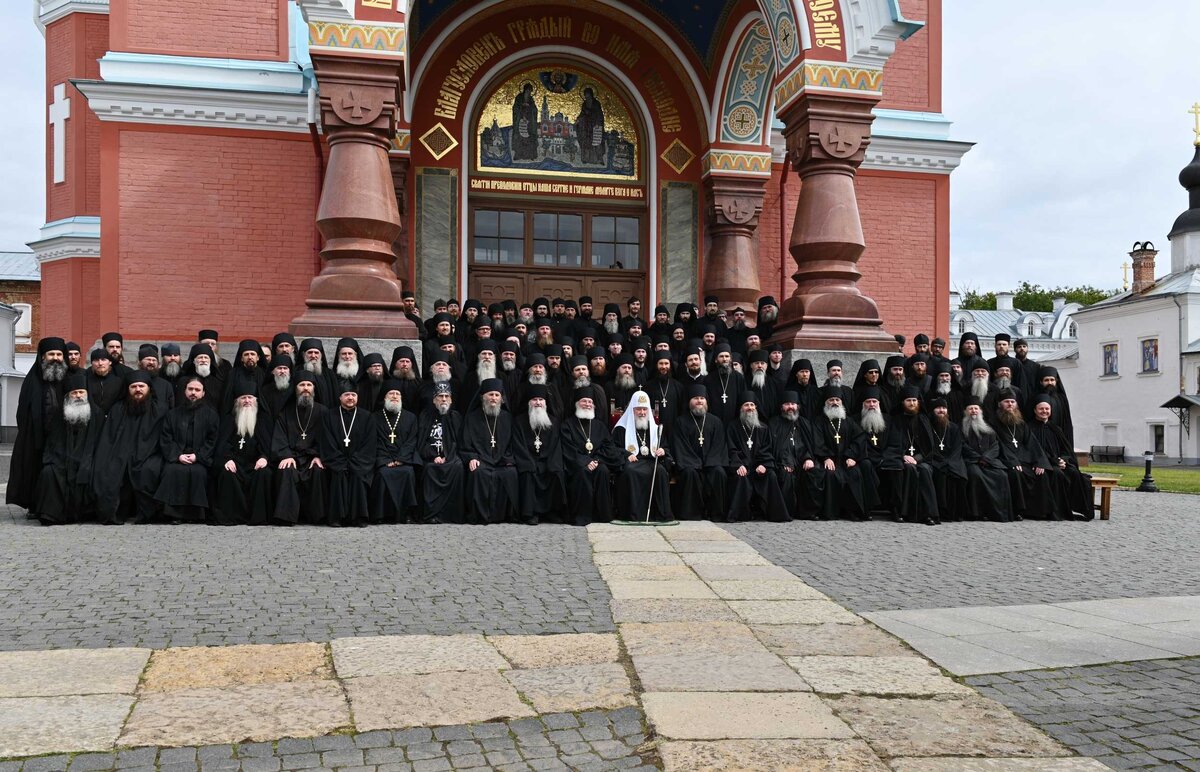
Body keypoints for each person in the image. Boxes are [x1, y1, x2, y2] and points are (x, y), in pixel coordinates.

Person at [92, 372, 165, 525]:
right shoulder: (118, 409)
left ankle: (147, 514)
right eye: (133, 386)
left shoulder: (159, 410)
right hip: (119, 452)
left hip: (150, 454)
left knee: (149, 470)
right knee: (109, 471)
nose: (138, 389)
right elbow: (109, 437)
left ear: (149, 389)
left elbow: (162, 438)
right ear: (127, 389)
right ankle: (114, 513)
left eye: (141, 386)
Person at [31, 372, 101, 524]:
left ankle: (85, 514)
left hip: (89, 461)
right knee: (49, 472)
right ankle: (50, 515)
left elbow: (102, 444)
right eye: (74, 393)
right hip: (62, 461)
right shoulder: (59, 416)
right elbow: (52, 443)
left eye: (81, 392)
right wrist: (60, 461)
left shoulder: (97, 414)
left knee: (95, 472)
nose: (78, 395)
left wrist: (86, 462)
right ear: (68, 396)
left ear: (87, 394)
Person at [7, 337, 68, 510]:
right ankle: (35, 506)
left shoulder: (67, 378)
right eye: (51, 354)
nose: (55, 358)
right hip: (36, 436)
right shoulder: (31, 380)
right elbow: (22, 410)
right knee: (35, 470)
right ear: (43, 357)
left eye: (59, 354)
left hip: (61, 438)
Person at [154, 376, 220, 523]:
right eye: (190, 389)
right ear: (185, 391)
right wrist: (178, 456)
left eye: (197, 390)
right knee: (171, 471)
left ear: (203, 393)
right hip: (177, 457)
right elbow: (166, 438)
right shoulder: (172, 414)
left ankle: (195, 516)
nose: (193, 393)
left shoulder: (211, 415)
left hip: (200, 459)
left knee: (198, 472)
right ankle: (174, 515)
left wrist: (198, 456)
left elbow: (212, 440)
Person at [560, 388, 625, 525]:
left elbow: (608, 447)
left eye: (590, 402)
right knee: (583, 472)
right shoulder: (568, 425)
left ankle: (602, 514)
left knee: (603, 471)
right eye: (584, 401)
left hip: (597, 462)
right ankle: (583, 516)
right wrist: (585, 461)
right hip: (577, 464)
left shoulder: (599, 425)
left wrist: (596, 460)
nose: (588, 404)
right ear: (577, 404)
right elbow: (568, 449)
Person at [272, 372, 329, 525]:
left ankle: (317, 517)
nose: (305, 388)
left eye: (309, 385)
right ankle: (286, 517)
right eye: (301, 385)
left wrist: (318, 455)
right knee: (286, 469)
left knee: (318, 470)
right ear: (295, 388)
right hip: (292, 456)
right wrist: (286, 455)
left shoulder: (323, 411)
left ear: (314, 389)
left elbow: (327, 439)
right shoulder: (285, 412)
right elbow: (279, 437)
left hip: (312, 457)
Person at [212, 383, 274, 525]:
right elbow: (222, 444)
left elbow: (269, 445)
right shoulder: (228, 420)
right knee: (226, 473)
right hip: (235, 463)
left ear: (256, 401)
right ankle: (232, 516)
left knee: (265, 473)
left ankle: (259, 517)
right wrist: (226, 459)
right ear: (237, 402)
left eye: (250, 397)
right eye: (243, 398)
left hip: (255, 464)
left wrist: (264, 458)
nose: (247, 401)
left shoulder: (264, 421)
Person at [990, 390, 1056, 520]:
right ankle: (1018, 511)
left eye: (1012, 402)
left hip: (1025, 461)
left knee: (1041, 473)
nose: (1010, 404)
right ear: (1000, 404)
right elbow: (999, 445)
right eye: (1006, 402)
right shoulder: (993, 423)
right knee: (1015, 474)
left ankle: (1040, 511)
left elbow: (1032, 443)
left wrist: (1040, 462)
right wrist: (1012, 462)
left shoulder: (1021, 423)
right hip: (1005, 461)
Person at [461, 378, 519, 524]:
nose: (494, 398)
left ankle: (506, 515)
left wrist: (508, 459)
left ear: (501, 398)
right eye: (490, 394)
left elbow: (512, 443)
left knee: (510, 472)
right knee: (478, 472)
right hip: (481, 460)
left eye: (497, 395)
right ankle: (479, 515)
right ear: (482, 397)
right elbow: (465, 443)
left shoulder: (507, 418)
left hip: (501, 460)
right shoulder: (472, 417)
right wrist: (472, 457)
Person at [725, 392, 789, 522]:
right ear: (741, 408)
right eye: (746, 405)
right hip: (741, 467)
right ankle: (741, 515)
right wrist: (738, 464)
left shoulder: (763, 428)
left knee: (770, 475)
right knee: (740, 477)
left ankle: (774, 515)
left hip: (758, 467)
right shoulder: (733, 426)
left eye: (752, 405)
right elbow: (731, 449)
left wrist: (764, 464)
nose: (749, 407)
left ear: (756, 408)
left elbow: (767, 449)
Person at [319, 383, 375, 527]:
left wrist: (355, 462)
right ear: (340, 397)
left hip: (360, 462)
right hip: (336, 461)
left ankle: (359, 517)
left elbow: (369, 444)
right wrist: (340, 462)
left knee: (357, 475)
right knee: (339, 474)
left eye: (353, 395)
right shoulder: (329, 415)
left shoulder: (367, 416)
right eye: (347, 395)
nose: (350, 398)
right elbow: (327, 441)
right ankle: (337, 518)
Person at [1028, 395, 1092, 519]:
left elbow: (1066, 450)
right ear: (1035, 410)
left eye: (1047, 409)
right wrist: (1052, 462)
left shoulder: (1056, 429)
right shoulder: (1029, 428)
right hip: (1043, 464)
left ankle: (1078, 509)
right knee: (1057, 474)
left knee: (1074, 473)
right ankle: (1057, 511)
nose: (1044, 411)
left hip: (1058, 462)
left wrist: (1064, 460)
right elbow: (1032, 451)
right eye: (1041, 409)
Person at [612, 391, 672, 522]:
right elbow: (613, 449)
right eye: (638, 409)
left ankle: (659, 515)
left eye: (644, 409)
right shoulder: (621, 429)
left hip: (651, 461)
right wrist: (626, 454)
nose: (642, 413)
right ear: (632, 410)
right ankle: (634, 515)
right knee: (630, 472)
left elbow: (665, 447)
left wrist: (662, 450)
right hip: (632, 462)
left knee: (660, 471)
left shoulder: (656, 429)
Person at [511, 384, 564, 524]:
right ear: (529, 402)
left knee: (556, 471)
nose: (538, 402)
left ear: (546, 402)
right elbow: (518, 445)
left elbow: (555, 445)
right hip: (527, 460)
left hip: (548, 460)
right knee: (528, 472)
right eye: (534, 399)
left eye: (541, 399)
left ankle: (552, 512)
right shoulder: (519, 421)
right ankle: (530, 513)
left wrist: (551, 462)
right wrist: (529, 462)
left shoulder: (553, 421)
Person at [811, 391, 868, 520]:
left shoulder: (849, 421)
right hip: (828, 460)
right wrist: (826, 457)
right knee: (831, 474)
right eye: (831, 400)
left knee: (854, 473)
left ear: (842, 403)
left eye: (837, 400)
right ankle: (831, 512)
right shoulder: (819, 421)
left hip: (846, 459)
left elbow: (859, 438)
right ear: (826, 403)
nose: (835, 403)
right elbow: (817, 441)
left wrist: (851, 456)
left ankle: (852, 512)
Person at [370, 380, 420, 524]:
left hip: (403, 459)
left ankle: (406, 514)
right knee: (382, 474)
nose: (395, 396)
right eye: (391, 393)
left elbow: (412, 441)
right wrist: (386, 460)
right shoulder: (375, 417)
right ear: (384, 398)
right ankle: (381, 514)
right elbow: (374, 442)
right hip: (383, 459)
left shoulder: (410, 417)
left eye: (398, 394)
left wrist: (400, 459)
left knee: (408, 472)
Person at [889, 387, 941, 525]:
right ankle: (902, 511)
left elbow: (929, 446)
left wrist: (917, 459)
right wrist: (902, 456)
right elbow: (890, 443)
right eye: (908, 400)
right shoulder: (895, 420)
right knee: (908, 469)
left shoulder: (923, 419)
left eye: (914, 400)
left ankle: (928, 514)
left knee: (924, 470)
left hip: (922, 459)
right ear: (902, 403)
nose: (912, 403)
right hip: (900, 459)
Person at [416, 382, 466, 523]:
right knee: (430, 469)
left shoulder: (456, 417)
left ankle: (451, 514)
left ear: (451, 400)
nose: (443, 399)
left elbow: (460, 442)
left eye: (446, 396)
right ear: (434, 400)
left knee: (458, 467)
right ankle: (432, 514)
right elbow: (421, 442)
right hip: (430, 457)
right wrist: (434, 456)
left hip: (451, 457)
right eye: (440, 396)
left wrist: (447, 457)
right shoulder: (425, 416)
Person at [769, 390, 823, 519]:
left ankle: (808, 512)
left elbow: (809, 445)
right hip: (782, 462)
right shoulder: (774, 423)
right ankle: (787, 512)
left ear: (798, 406)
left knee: (813, 472)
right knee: (786, 474)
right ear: (782, 407)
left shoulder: (804, 423)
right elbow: (775, 447)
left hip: (801, 461)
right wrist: (785, 461)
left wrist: (808, 458)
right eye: (787, 404)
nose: (790, 407)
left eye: (793, 404)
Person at [961, 398, 1015, 521]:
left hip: (990, 461)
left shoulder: (989, 428)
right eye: (971, 408)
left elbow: (995, 445)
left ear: (980, 411)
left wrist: (986, 458)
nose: (973, 411)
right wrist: (978, 458)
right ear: (966, 411)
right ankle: (978, 512)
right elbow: (962, 446)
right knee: (975, 474)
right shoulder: (961, 428)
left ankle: (998, 512)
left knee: (1002, 475)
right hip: (971, 461)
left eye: (976, 408)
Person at [924, 397, 967, 521]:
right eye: (938, 408)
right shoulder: (928, 426)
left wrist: (950, 462)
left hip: (953, 461)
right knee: (941, 475)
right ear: (933, 410)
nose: (941, 410)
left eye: (944, 408)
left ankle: (956, 513)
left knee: (958, 476)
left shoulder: (953, 427)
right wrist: (940, 461)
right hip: (934, 460)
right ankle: (942, 512)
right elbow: (927, 446)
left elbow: (957, 447)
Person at [85, 350, 124, 414]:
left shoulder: (119, 382)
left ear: (110, 362)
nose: (100, 363)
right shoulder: (86, 381)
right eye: (96, 360)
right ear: (91, 363)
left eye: (103, 359)